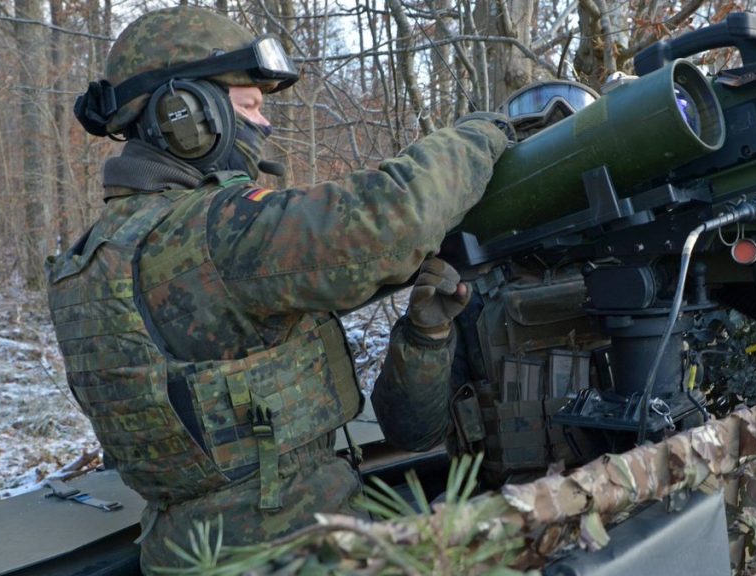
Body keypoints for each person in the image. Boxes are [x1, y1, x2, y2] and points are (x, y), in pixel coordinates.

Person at [45, 6, 511, 572]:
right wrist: (488, 130)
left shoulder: (94, 253)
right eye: (250, 106)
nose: (264, 126)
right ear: (185, 114)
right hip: (294, 551)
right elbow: (391, 220)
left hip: (191, 553)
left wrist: (426, 331)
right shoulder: (215, 230)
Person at [371, 60, 756, 488]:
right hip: (529, 515)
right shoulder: (471, 282)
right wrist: (427, 333)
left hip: (669, 489)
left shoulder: (664, 244)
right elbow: (411, 433)